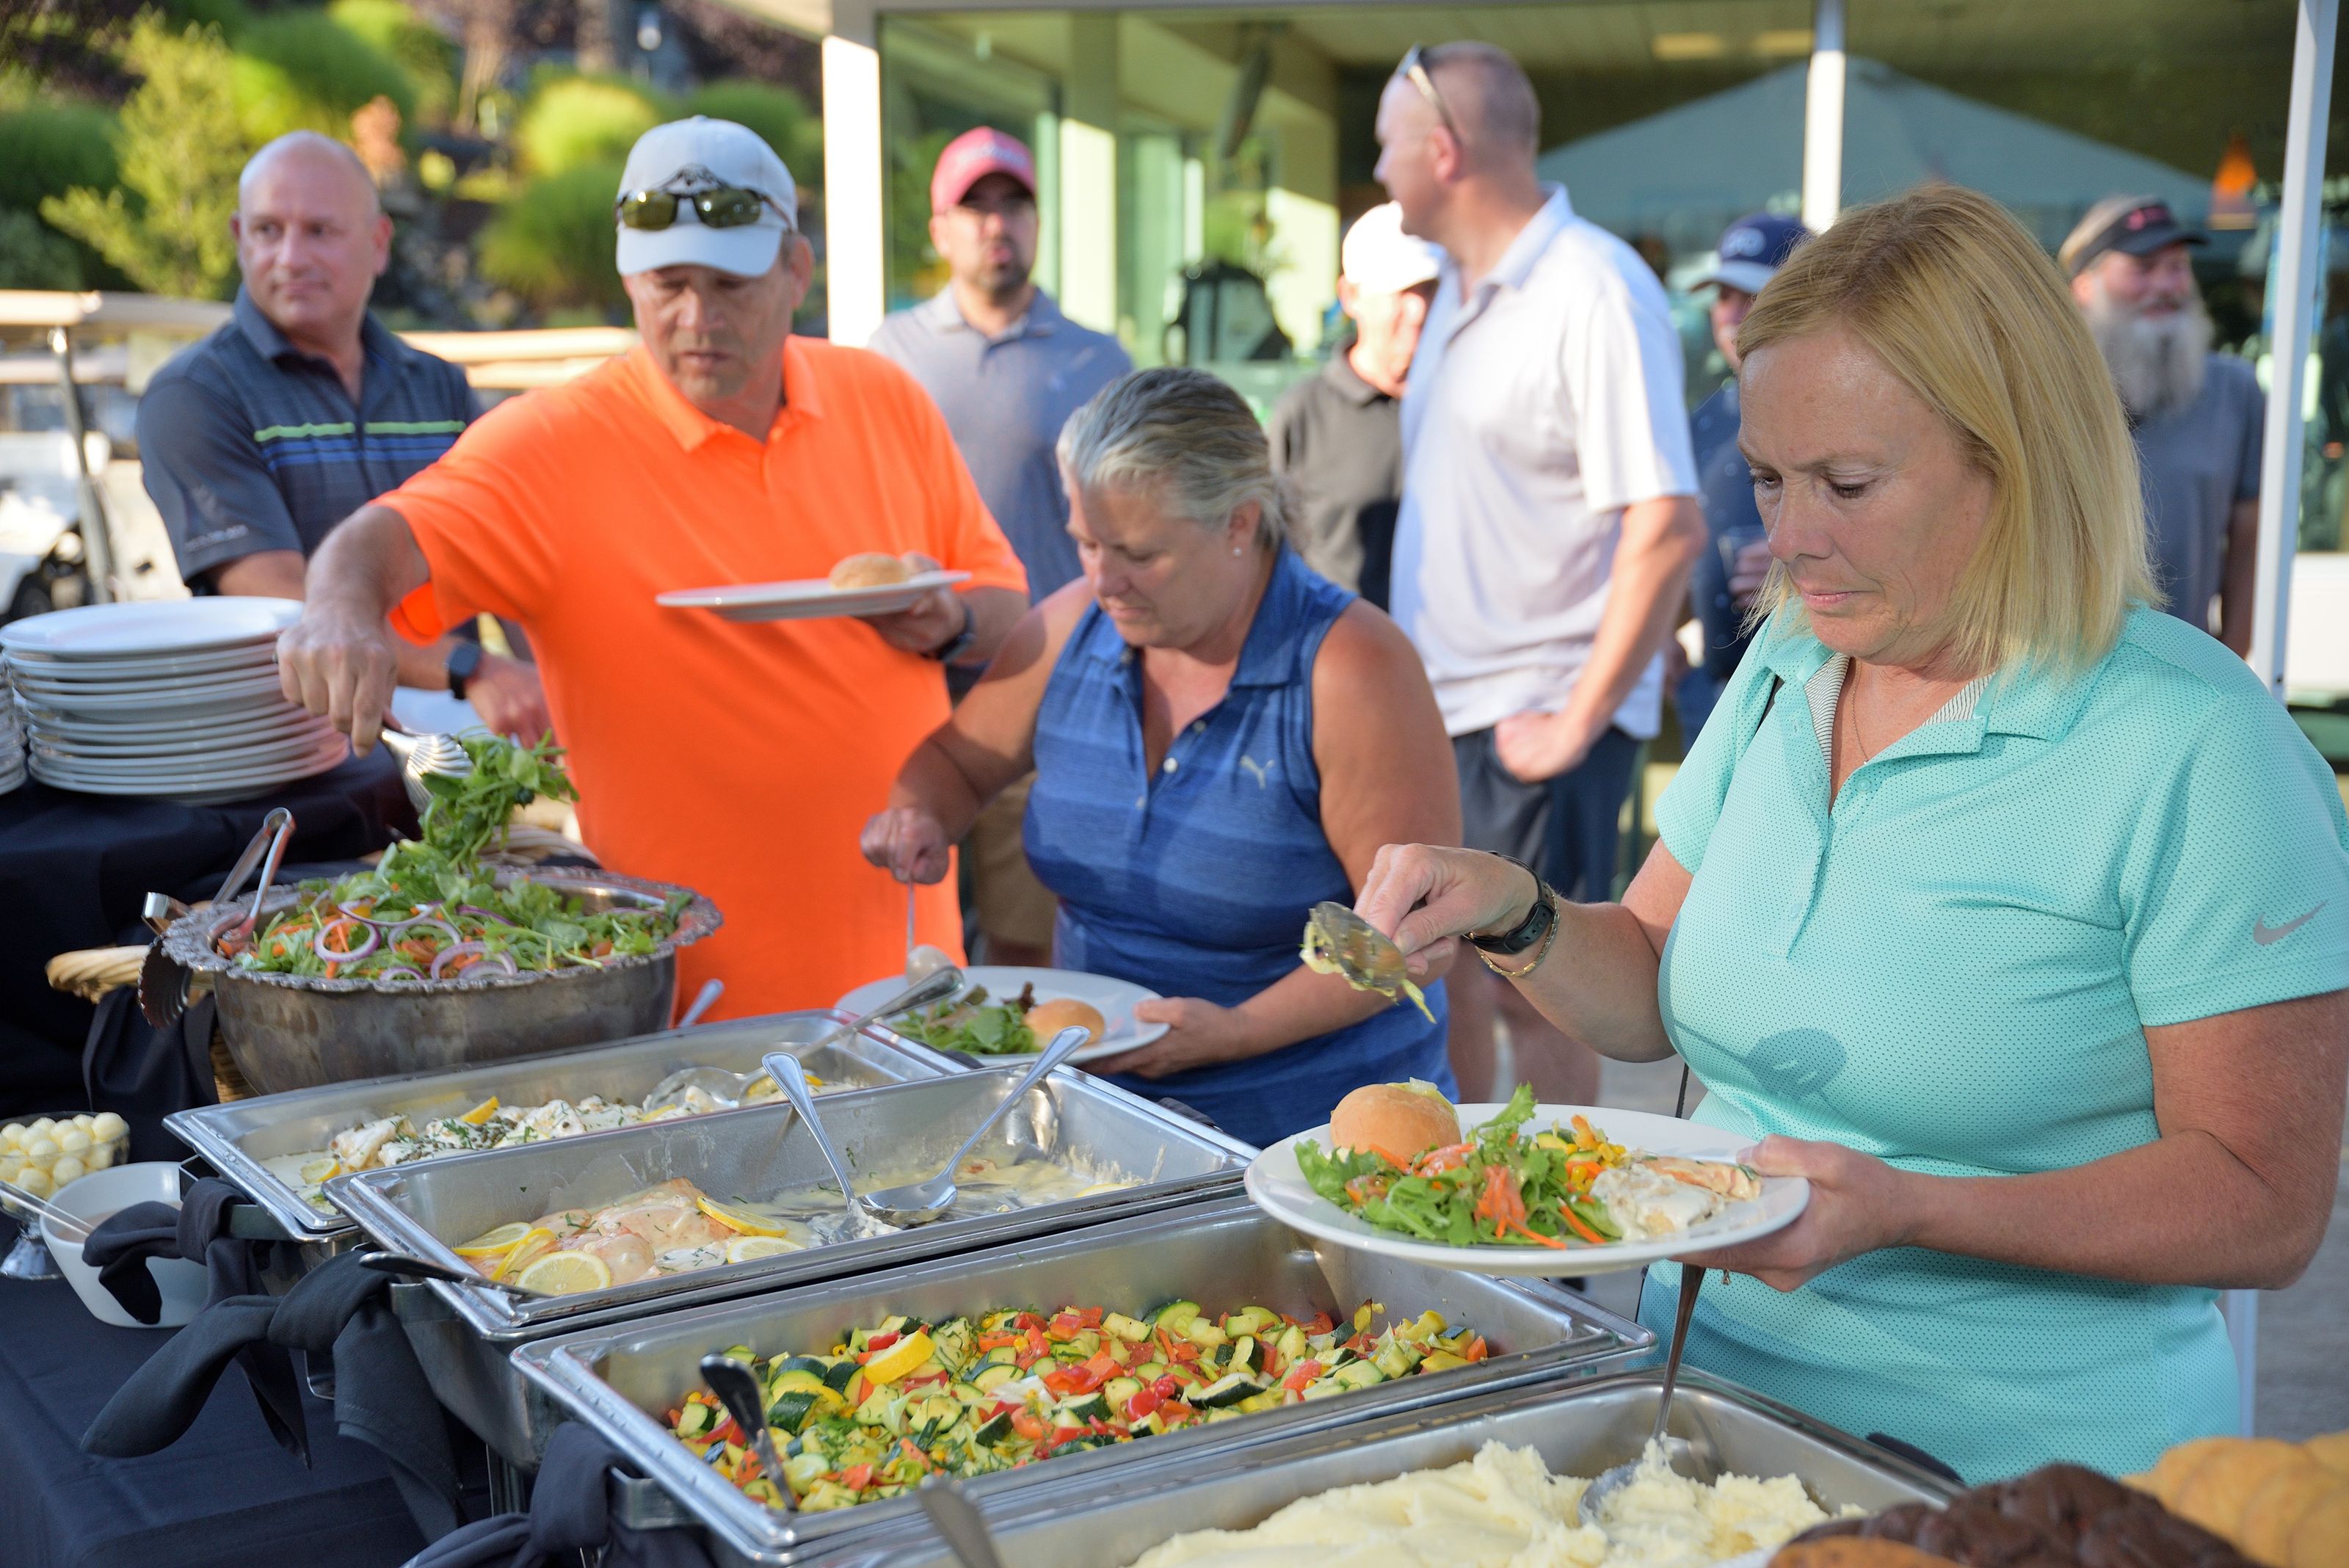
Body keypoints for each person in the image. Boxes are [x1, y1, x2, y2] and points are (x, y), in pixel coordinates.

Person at [1356, 186, 2349, 1482]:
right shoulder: (1787, 665)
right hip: (1706, 1421)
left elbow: (2265, 1203)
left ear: (2017, 458)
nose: (1790, 542)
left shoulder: (2200, 744)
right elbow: (1654, 980)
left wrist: (1911, 1211)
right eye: (1770, 479)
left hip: (2026, 1479)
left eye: (1849, 484)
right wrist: (1518, 914)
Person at [274, 117, 1030, 1019]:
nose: (696, 318)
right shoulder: (553, 442)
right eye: (669, 284)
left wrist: (948, 620)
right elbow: (384, 539)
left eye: (729, 284)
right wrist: (337, 608)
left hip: (908, 974)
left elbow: (999, 597)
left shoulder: (885, 399)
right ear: (630, 278)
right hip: (686, 1005)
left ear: (796, 271)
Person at [861, 368, 1460, 1147]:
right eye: (1085, 543)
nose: (1104, 580)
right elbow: (959, 764)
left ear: (1239, 523)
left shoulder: (1350, 669)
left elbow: (1408, 945)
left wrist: (1237, 1030)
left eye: (1140, 554)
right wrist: (919, 816)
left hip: (1317, 1143)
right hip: (1102, 1126)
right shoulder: (1070, 625)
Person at [1373, 43, 1706, 1104]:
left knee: (1539, 987)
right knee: (1451, 979)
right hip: (1447, 713)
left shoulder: (1593, 289)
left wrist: (1573, 723)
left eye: (1385, 147)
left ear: (1443, 149)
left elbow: (1667, 521)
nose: (1378, 172)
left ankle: (1555, 1266)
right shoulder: (1462, 297)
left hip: (1533, 720)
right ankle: (1485, 1255)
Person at [136, 131, 548, 740]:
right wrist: (473, 669)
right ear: (237, 238)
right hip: (294, 751)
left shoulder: (439, 387)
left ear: (380, 244)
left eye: (320, 231)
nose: (291, 257)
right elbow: (286, 603)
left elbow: (510, 562)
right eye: (267, 230)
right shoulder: (194, 396)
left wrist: (560, 699)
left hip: (458, 745)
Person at [869, 127, 1130, 968]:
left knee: (1026, 956)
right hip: (903, 700)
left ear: (1037, 222)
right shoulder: (887, 356)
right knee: (912, 948)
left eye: (1011, 203)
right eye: (972, 207)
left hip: (1040, 697)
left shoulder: (1098, 361)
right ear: (938, 230)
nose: (995, 224)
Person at [2062, 195, 2264, 656]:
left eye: (2177, 266)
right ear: (2084, 286)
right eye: (2143, 268)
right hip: (2056, 666)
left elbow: (2250, 544)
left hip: (2183, 667)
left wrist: (2229, 666)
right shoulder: (2045, 391)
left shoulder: (2235, 390)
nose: (2166, 284)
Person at [1267, 202, 1442, 608]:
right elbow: (1267, 556)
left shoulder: (1469, 404)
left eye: (1429, 288)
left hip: (1456, 660)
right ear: (1350, 297)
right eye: (1399, 291)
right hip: (1339, 658)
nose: (1417, 309)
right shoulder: (1303, 416)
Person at [1677, 213, 1810, 738]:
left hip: (1799, 695)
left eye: (1750, 294)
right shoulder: (1706, 416)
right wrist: (1659, 637)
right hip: (1710, 697)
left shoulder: (1840, 413)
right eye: (1723, 295)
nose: (1732, 313)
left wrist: (1794, 576)